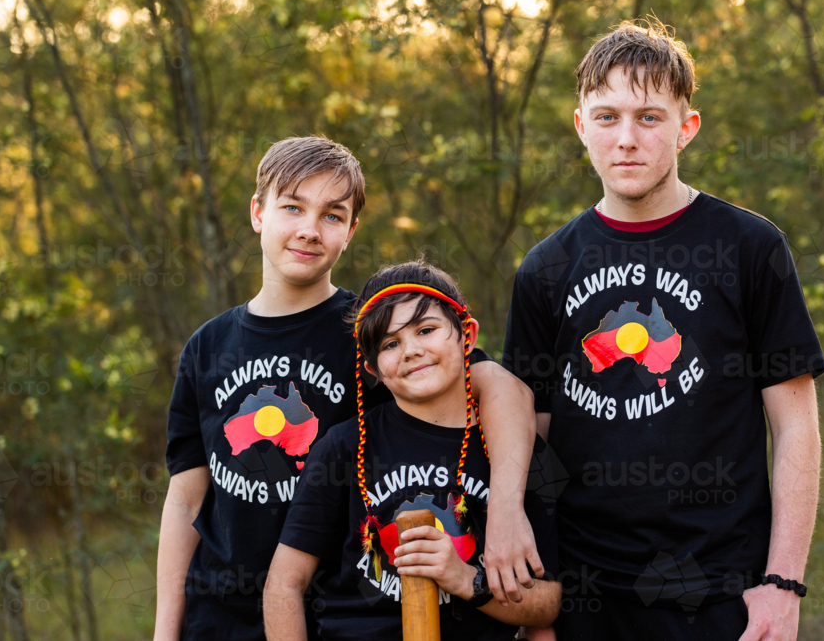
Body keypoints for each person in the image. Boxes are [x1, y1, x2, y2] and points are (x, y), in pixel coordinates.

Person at [502, 20, 824, 641]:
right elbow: (531, 440)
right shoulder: (545, 268)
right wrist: (537, 603)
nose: (627, 139)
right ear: (581, 126)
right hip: (584, 596)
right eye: (607, 117)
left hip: (722, 595)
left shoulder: (750, 248)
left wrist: (782, 585)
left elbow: (795, 427)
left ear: (687, 127)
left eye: (649, 117)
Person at [156, 137, 544, 641]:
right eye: (292, 207)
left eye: (332, 215)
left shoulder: (375, 333)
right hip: (217, 618)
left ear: (350, 232)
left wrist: (507, 510)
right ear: (257, 212)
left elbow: (503, 390)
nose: (309, 229)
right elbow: (186, 501)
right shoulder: (207, 346)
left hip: (330, 612)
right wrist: (166, 631)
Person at [263, 260, 561, 640]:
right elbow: (284, 585)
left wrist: (464, 579)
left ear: (467, 335)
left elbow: (548, 604)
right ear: (373, 368)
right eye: (390, 344)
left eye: (426, 330)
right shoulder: (343, 448)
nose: (411, 350)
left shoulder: (516, 452)